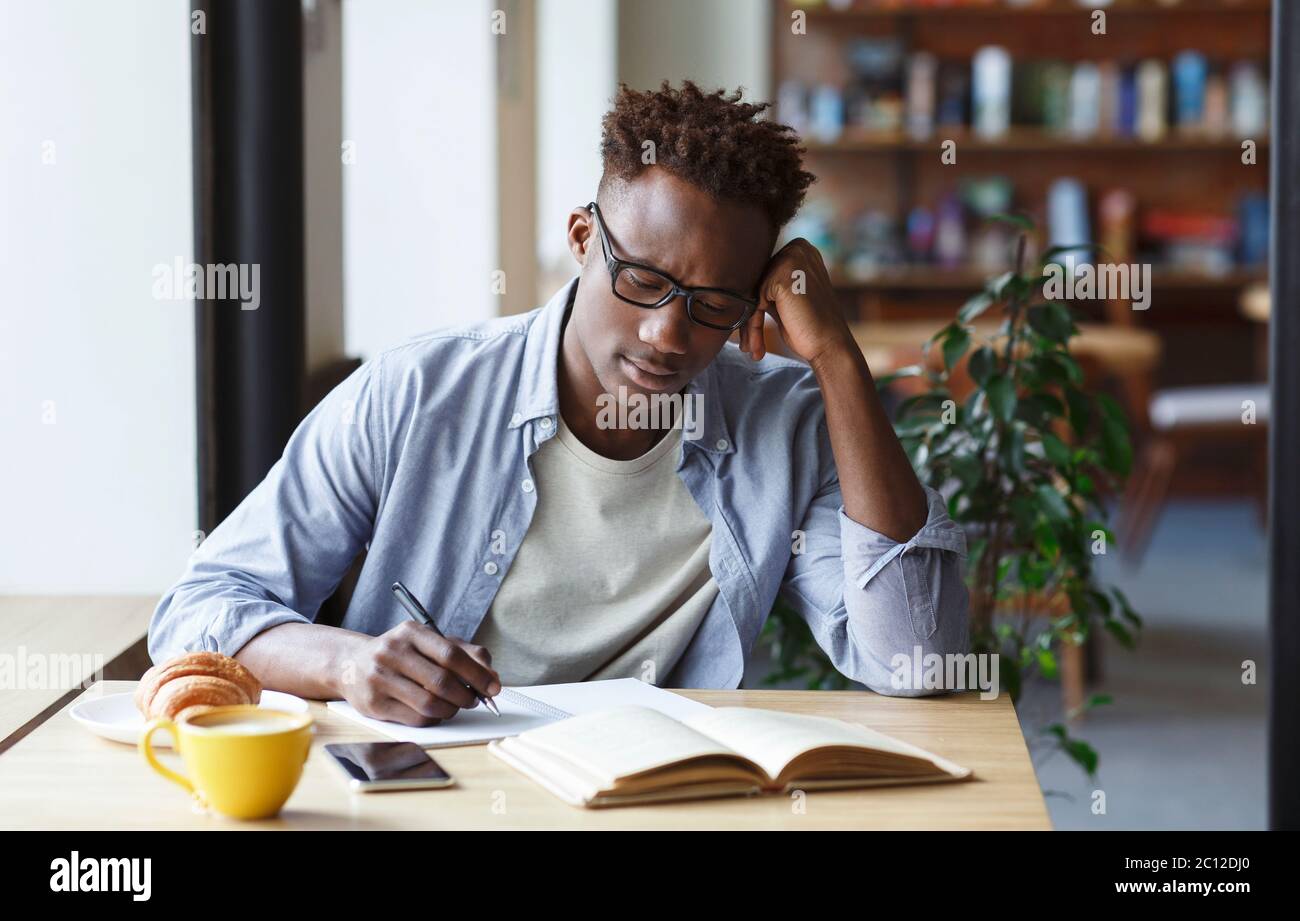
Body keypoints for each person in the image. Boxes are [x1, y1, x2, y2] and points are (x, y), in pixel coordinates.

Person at [149, 80, 969, 726]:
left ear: (756, 301)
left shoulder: (783, 423)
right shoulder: (418, 393)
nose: (665, 333)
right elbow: (198, 611)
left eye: (714, 302)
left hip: (659, 800)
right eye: (643, 278)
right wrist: (346, 663)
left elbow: (918, 658)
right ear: (582, 239)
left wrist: (838, 359)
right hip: (438, 794)